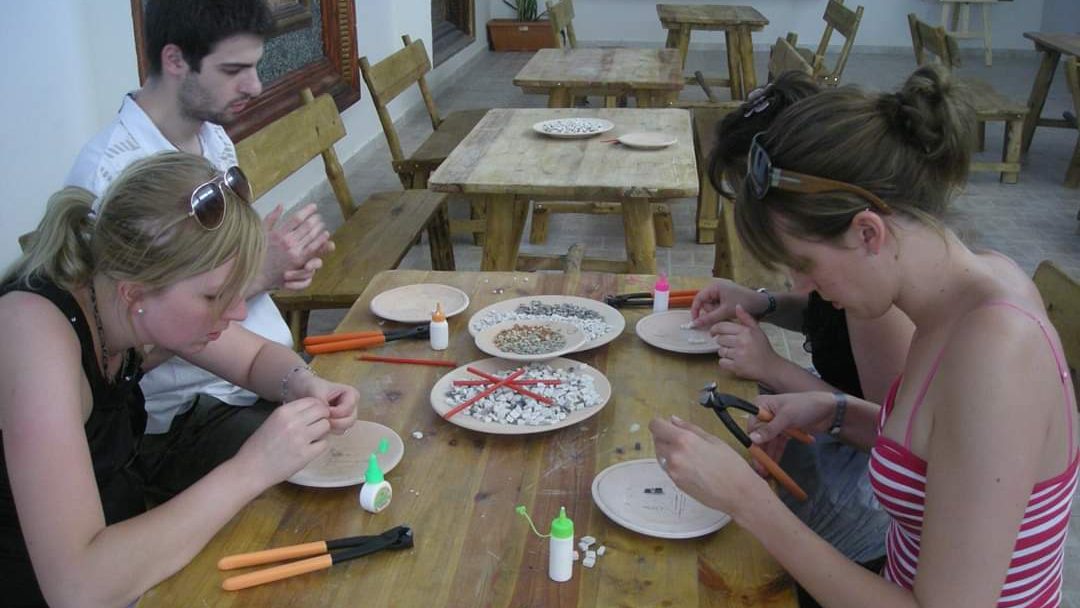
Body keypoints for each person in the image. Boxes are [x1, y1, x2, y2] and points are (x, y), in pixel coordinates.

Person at [652, 65, 1077, 607]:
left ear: (868, 232)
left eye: (804, 263)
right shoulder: (969, 288)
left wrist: (746, 503)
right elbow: (948, 455)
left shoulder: (996, 356)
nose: (802, 285)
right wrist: (831, 410)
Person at [0, 153, 357, 607]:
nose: (237, 312)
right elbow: (78, 586)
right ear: (137, 291)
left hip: (130, 564)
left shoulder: (121, 297)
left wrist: (304, 384)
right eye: (213, 296)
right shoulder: (33, 337)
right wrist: (253, 467)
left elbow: (254, 362)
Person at [65, 0, 334, 502]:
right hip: (186, 415)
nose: (254, 85)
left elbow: (223, 289)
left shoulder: (212, 139)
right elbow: (119, 348)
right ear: (175, 60)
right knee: (323, 490)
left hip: (251, 376)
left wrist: (275, 269)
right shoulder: (111, 177)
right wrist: (260, 275)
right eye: (234, 70)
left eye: (255, 66)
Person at [688, 71, 915, 599]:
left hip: (866, 517)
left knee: (727, 555)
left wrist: (772, 369)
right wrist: (762, 303)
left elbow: (888, 437)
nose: (798, 280)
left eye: (802, 262)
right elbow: (821, 310)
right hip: (839, 449)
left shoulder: (877, 300)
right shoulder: (856, 272)